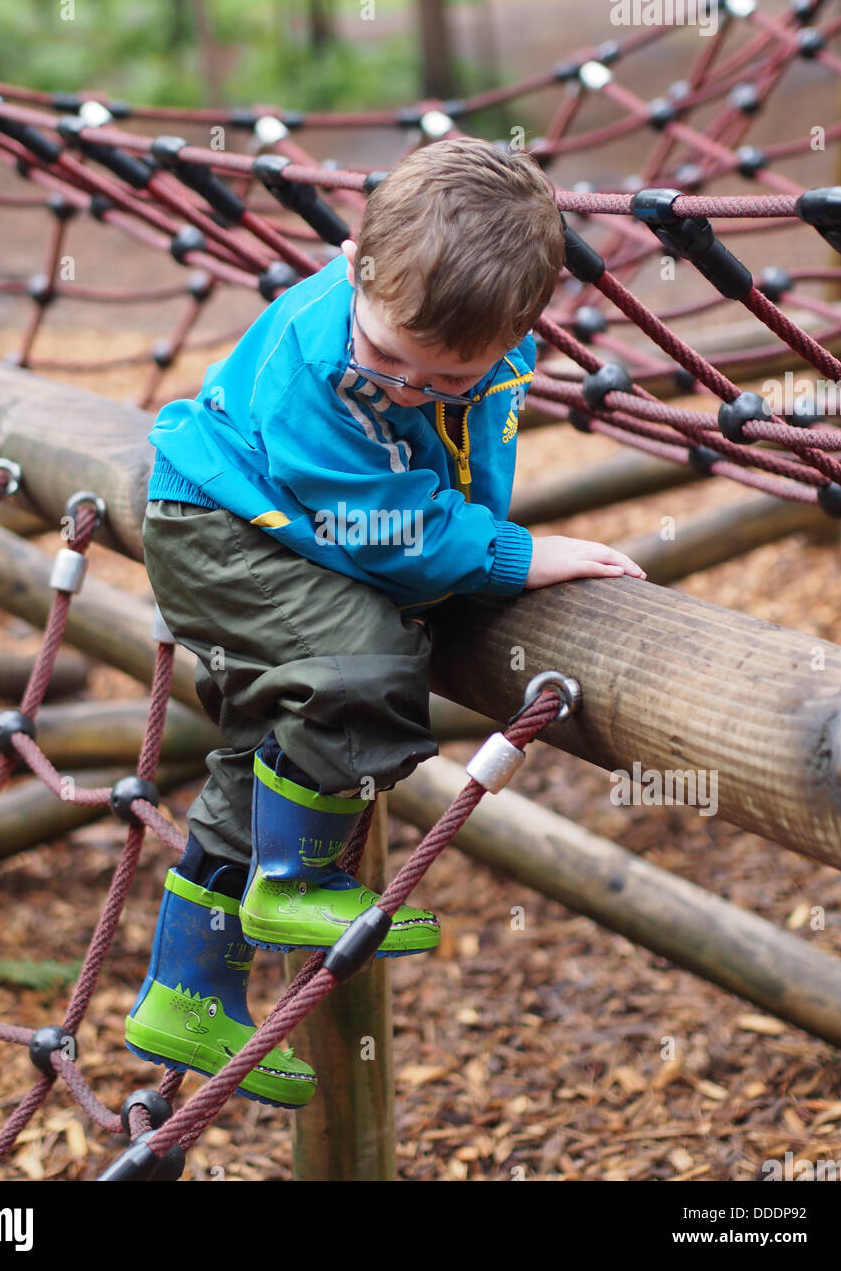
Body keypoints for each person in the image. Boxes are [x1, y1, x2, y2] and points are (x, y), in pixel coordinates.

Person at [124, 137, 647, 1107]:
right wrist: (512, 556)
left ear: (517, 331)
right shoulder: (316, 357)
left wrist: (478, 528)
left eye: (448, 379)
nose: (410, 388)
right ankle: (297, 881)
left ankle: (185, 989)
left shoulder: (479, 345)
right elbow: (385, 528)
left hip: (282, 533)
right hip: (221, 528)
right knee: (363, 660)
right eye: (392, 360)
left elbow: (459, 460)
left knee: (264, 749)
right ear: (357, 263)